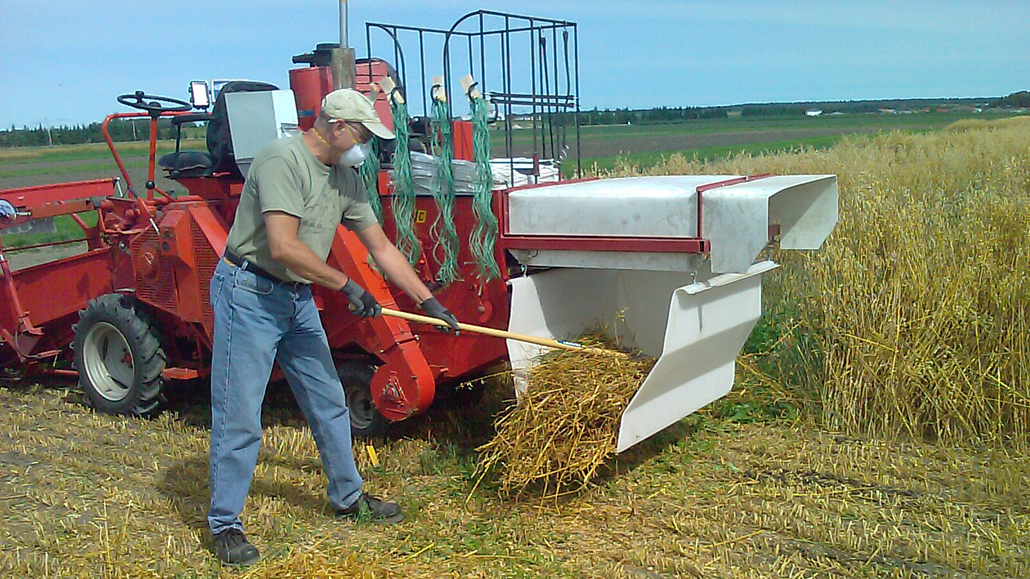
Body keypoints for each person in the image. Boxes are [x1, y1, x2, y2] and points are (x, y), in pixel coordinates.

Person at [206, 88, 459, 565]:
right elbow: (282, 246)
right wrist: (347, 286)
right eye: (363, 134)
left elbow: (381, 248)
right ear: (338, 127)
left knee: (328, 401)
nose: (366, 145)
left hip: (295, 297)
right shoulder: (282, 160)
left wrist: (428, 302)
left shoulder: (346, 177)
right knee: (240, 417)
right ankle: (225, 525)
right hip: (250, 294)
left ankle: (348, 497)